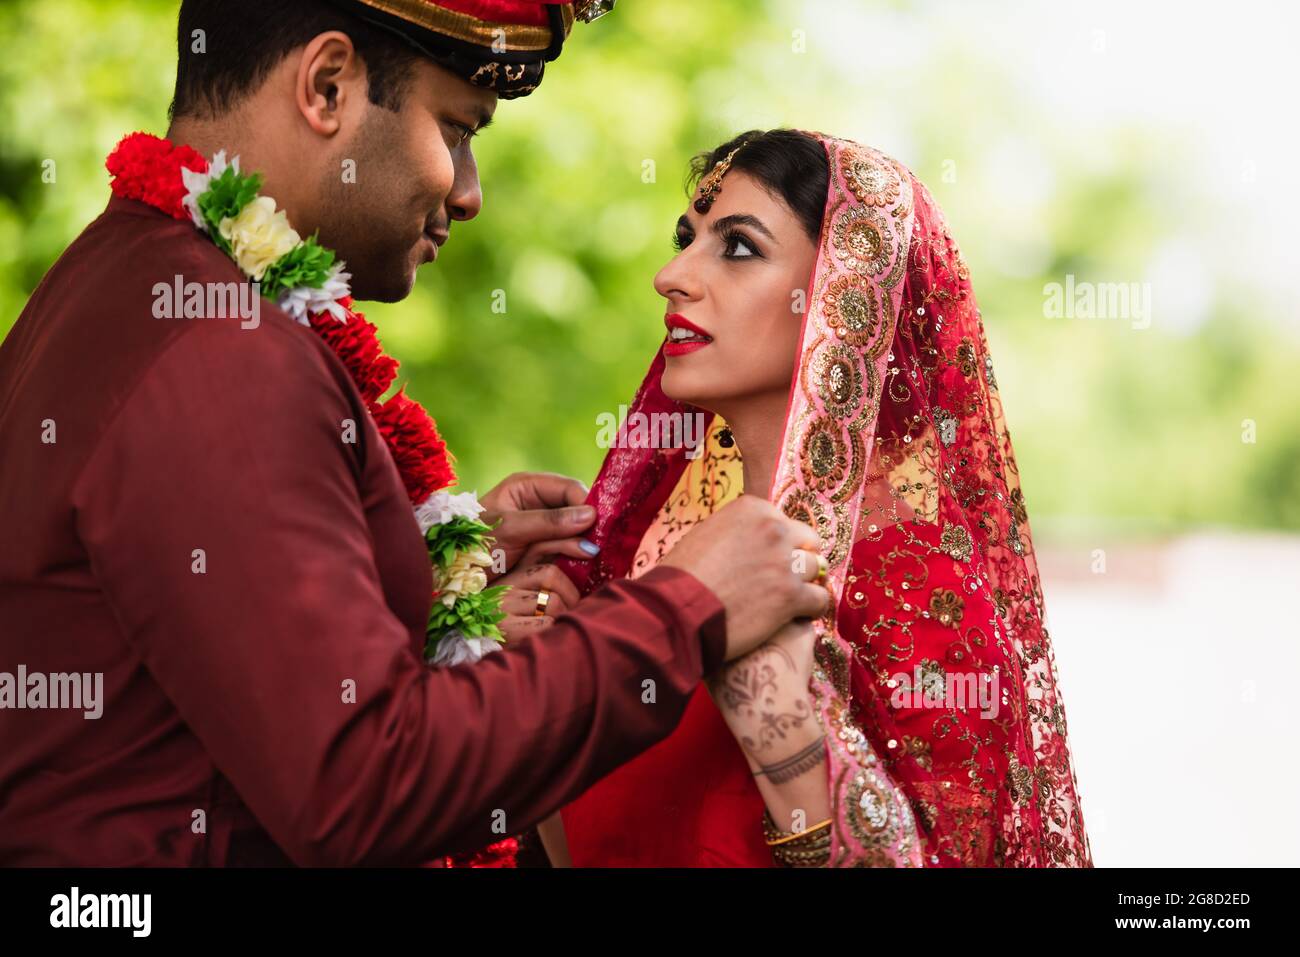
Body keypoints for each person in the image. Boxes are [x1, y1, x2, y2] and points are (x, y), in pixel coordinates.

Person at [0, 3, 829, 866]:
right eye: (458, 129)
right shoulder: (222, 349)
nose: (469, 193)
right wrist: (688, 607)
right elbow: (362, 786)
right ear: (328, 87)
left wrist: (418, 572)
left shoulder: (129, 281)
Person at [552, 129, 1094, 867]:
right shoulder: (664, 562)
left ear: (845, 299)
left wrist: (777, 719)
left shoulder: (916, 584)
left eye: (737, 247)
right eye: (686, 239)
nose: (670, 276)